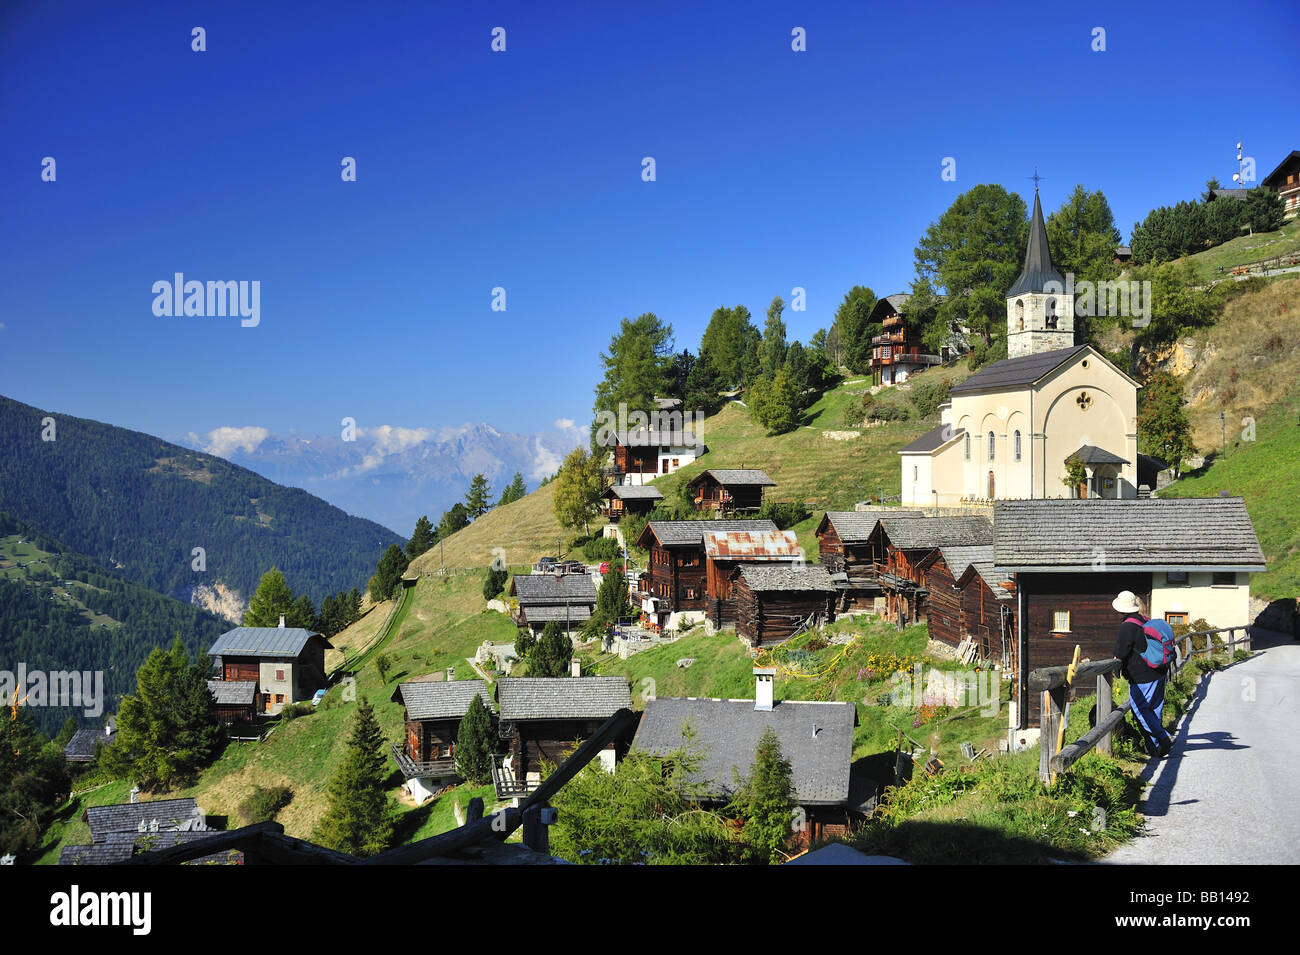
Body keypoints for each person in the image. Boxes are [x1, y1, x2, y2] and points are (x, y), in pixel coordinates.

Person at [1112, 590, 1172, 759]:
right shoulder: (1144, 620)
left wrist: (1116, 663)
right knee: (1154, 709)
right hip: (1158, 671)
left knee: (1140, 709)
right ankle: (1154, 747)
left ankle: (1162, 738)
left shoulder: (1127, 626)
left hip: (1142, 676)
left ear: (1121, 609)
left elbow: (1121, 651)